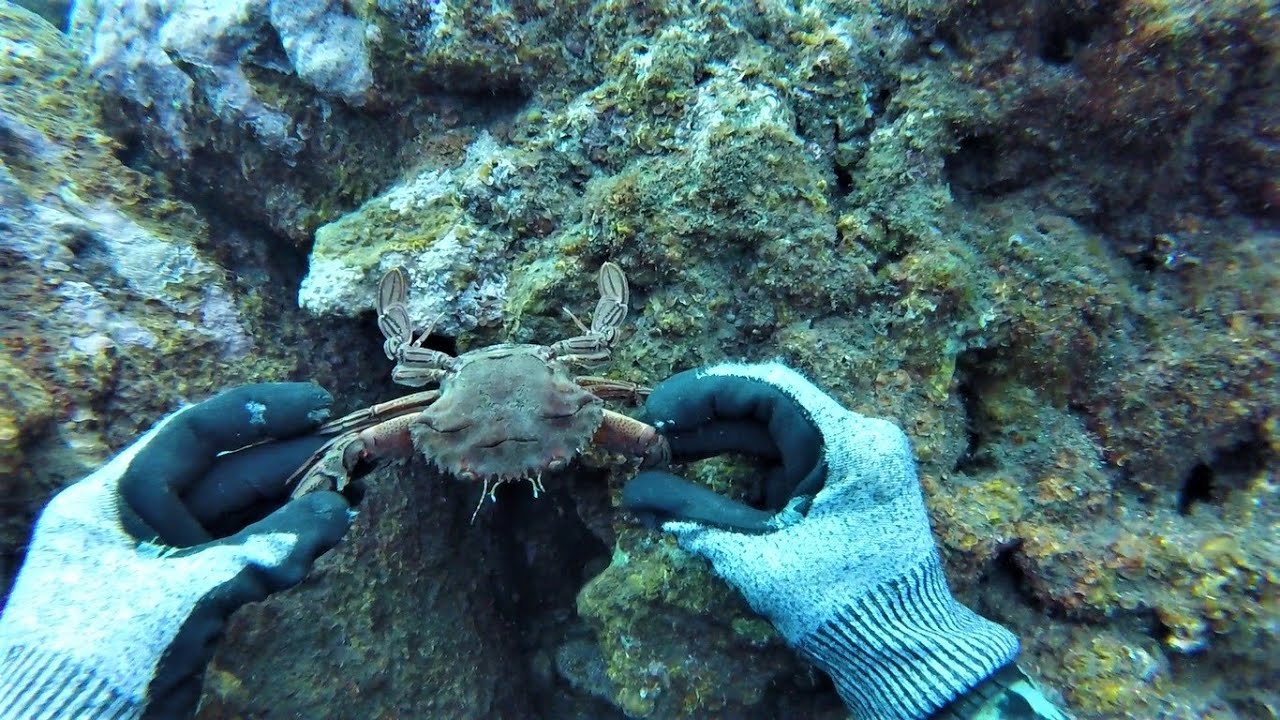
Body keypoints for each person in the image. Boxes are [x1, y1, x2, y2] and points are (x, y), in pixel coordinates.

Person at [0, 365, 1069, 719]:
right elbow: (378, 430)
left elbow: (638, 422)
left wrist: (51, 683)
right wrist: (935, 671)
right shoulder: (426, 417)